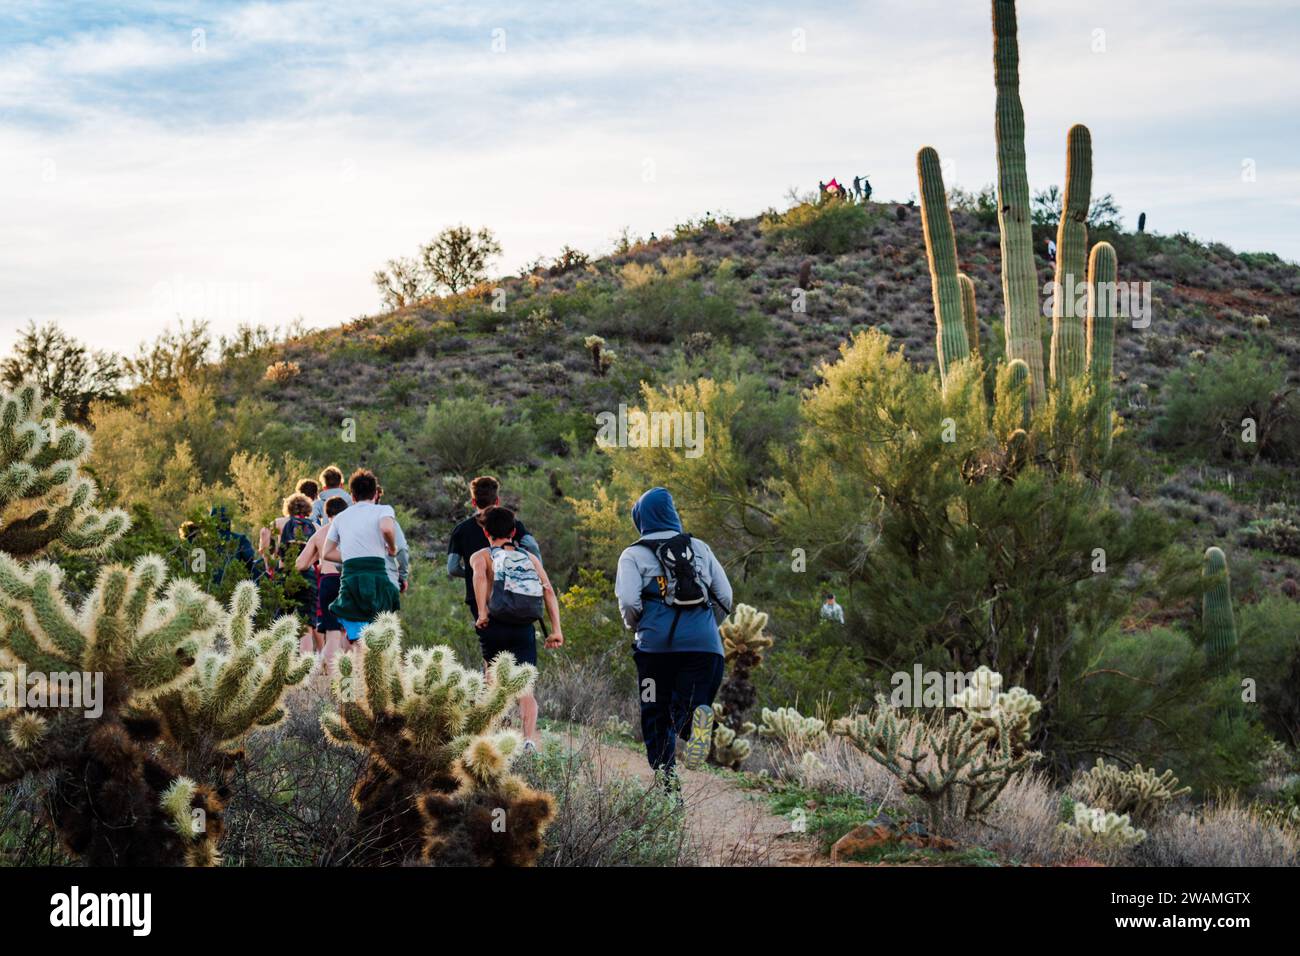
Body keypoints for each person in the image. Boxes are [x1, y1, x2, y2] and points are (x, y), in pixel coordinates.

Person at [614, 487, 732, 781]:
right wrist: (704, 627)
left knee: (655, 712)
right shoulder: (701, 549)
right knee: (690, 705)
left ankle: (667, 786)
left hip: (654, 651)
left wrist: (640, 626)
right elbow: (726, 597)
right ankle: (693, 725)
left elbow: (629, 601)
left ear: (641, 519)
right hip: (705, 649)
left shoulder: (633, 555)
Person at [469, 506, 563, 751]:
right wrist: (556, 630)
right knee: (525, 687)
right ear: (513, 531)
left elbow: (479, 577)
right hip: (524, 627)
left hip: (495, 626)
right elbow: (549, 590)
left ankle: (489, 738)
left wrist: (482, 613)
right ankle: (528, 739)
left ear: (486, 533)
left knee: (491, 680)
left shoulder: (482, 556)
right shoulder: (530, 558)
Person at [322, 469, 400, 646]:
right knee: (380, 635)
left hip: (350, 578)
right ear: (375, 493)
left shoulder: (341, 517)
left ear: (352, 495)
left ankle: (358, 672)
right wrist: (393, 548)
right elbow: (387, 528)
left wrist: (351, 556)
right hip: (377, 577)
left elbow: (326, 552)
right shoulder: (383, 509)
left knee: (358, 640)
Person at [296, 496, 349, 661]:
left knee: (332, 633)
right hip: (347, 581)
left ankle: (323, 665)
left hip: (327, 582)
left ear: (326, 513)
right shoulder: (352, 531)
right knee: (345, 632)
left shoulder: (320, 534)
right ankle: (334, 669)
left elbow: (300, 564)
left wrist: (317, 562)